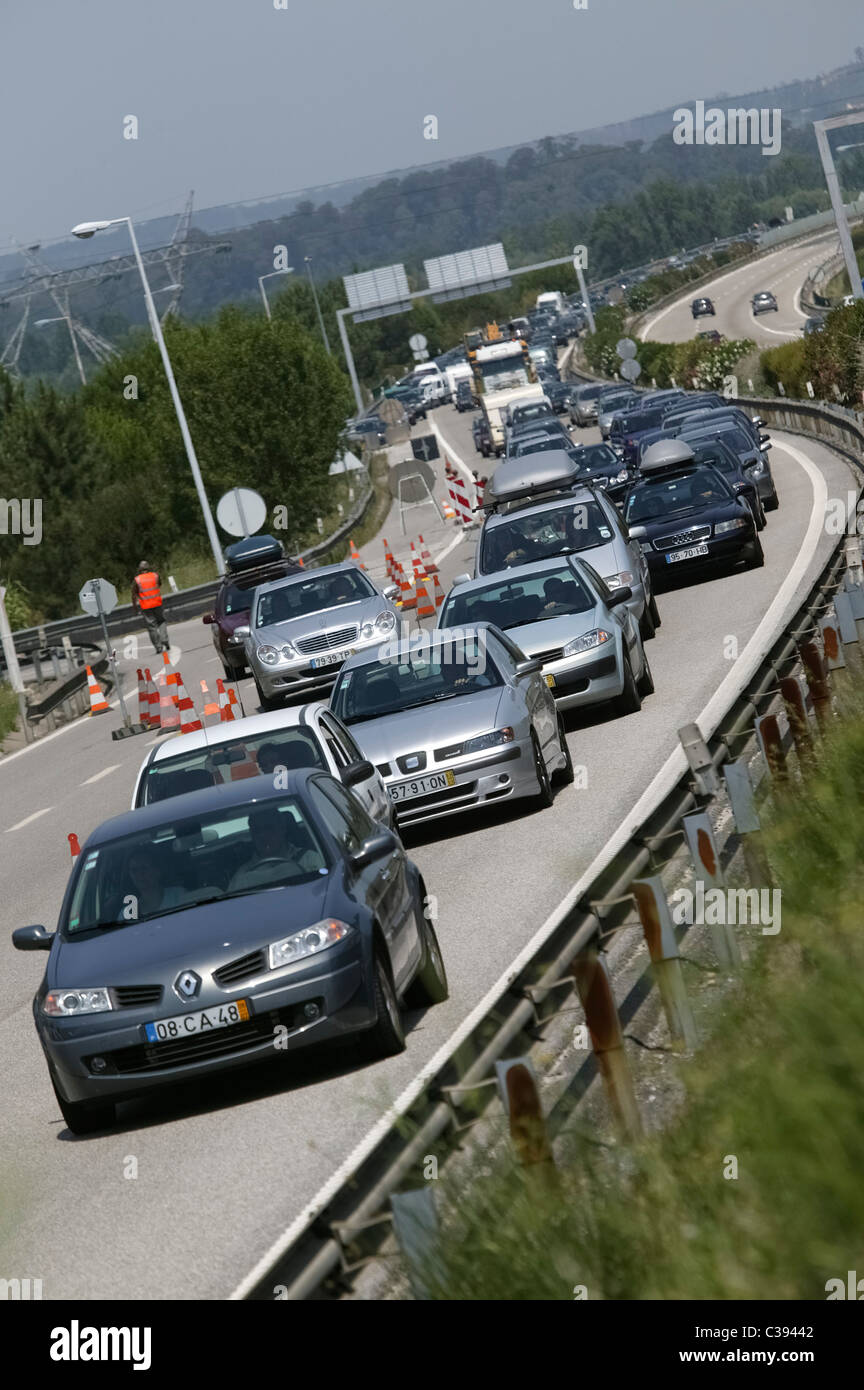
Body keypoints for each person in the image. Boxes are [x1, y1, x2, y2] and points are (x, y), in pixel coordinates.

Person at [229, 809, 321, 891]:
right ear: (252, 835)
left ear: (282, 829)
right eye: (257, 831)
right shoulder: (242, 876)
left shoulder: (310, 859)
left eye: (269, 828)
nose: (263, 836)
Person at [132, 562, 169, 654]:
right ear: (149, 568)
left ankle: (158, 647)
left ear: (139, 570)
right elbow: (159, 585)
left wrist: (135, 607)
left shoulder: (137, 580)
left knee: (152, 626)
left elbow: (134, 595)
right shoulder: (155, 576)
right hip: (157, 604)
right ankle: (164, 639)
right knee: (161, 621)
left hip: (146, 606)